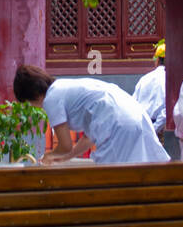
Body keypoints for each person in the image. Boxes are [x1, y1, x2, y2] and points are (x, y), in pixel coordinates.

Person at [13, 64, 169, 165]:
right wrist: (64, 158)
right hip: (134, 115)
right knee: (140, 173)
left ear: (33, 95)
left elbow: (65, 145)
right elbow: (88, 138)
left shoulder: (51, 99)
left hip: (117, 124)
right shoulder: (64, 87)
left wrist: (49, 156)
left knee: (110, 182)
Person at [132, 40, 167, 135]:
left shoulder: (144, 79)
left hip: (141, 126)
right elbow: (166, 111)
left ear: (157, 60)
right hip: (159, 129)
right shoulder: (169, 80)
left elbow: (133, 104)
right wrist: (154, 129)